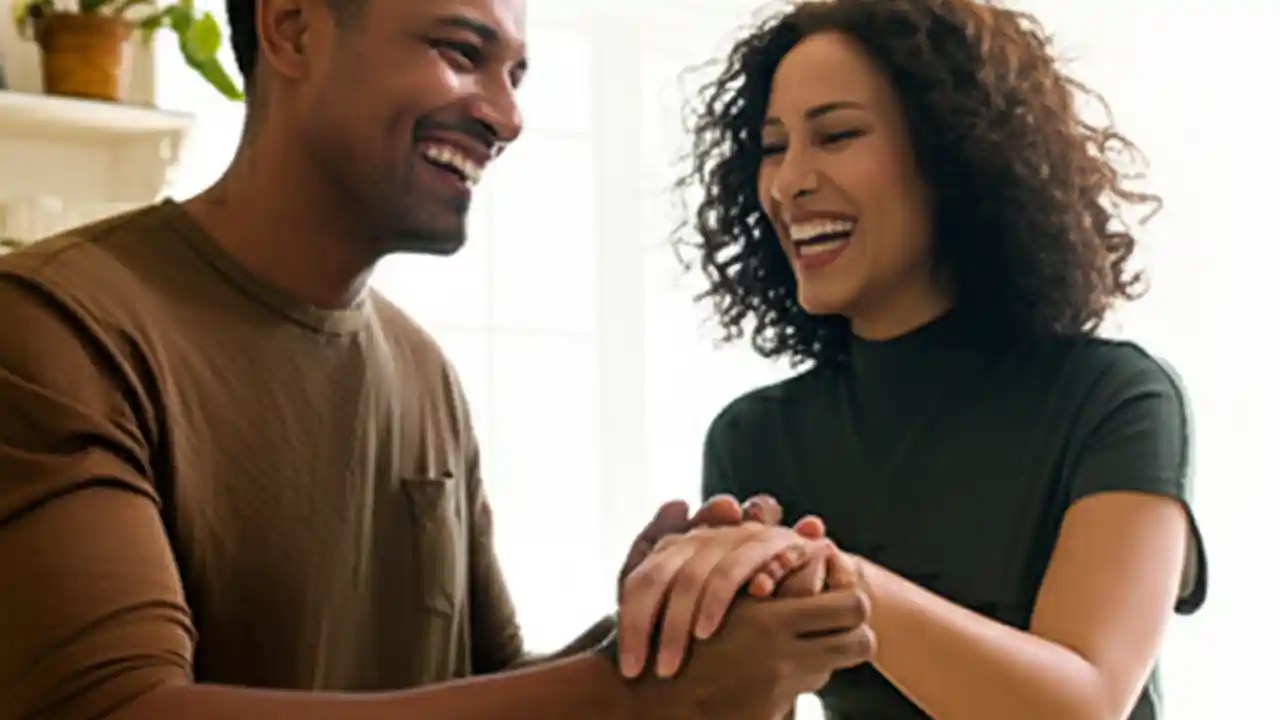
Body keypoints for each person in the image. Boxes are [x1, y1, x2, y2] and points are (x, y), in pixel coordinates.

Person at [0, 0, 876, 718]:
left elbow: (488, 681)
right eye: (462, 52)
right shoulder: (54, 327)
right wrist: (624, 691)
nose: (506, 114)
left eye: (517, 74)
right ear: (291, 29)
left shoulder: (421, 372)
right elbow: (116, 710)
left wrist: (658, 634)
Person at [613, 1, 1209, 718]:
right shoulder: (754, 438)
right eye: (774, 147)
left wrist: (836, 578)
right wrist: (665, 639)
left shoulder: (1116, 399)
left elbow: (1083, 707)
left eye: (836, 135)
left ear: (954, 155)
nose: (788, 182)